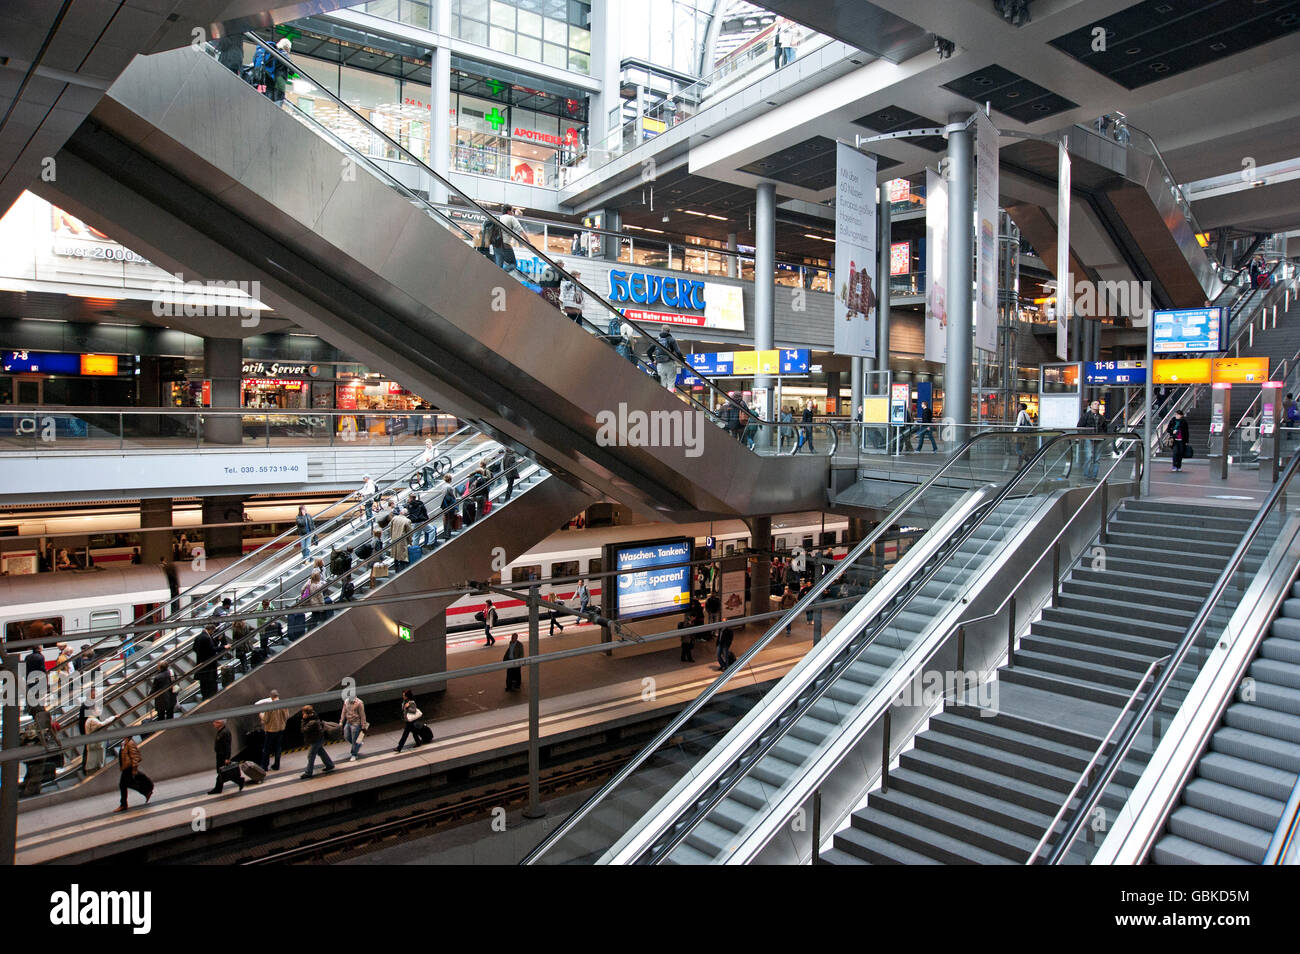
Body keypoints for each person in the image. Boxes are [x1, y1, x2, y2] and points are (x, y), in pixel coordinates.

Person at [114, 735, 153, 812]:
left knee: (122, 785)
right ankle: (146, 791)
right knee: (128, 783)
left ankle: (123, 805)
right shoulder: (124, 743)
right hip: (126, 767)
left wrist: (134, 768)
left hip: (129, 767)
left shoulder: (130, 743)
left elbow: (135, 757)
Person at [208, 720, 245, 795]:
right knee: (223, 772)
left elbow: (228, 746)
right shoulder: (221, 731)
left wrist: (227, 758)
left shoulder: (225, 732)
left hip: (223, 756)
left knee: (222, 772)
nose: (213, 723)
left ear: (220, 723)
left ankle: (218, 788)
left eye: (216, 722)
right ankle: (239, 781)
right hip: (220, 755)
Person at [299, 705, 335, 778]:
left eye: (303, 713)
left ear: (307, 713)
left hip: (316, 740)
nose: (303, 715)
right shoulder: (313, 717)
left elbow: (303, 730)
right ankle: (330, 765)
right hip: (317, 739)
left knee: (311, 755)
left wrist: (303, 720)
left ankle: (308, 772)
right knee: (321, 752)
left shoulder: (312, 722)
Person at [1076, 399, 1107, 478]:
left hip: (1099, 439)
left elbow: (1105, 428)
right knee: (1089, 457)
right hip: (1089, 438)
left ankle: (1094, 476)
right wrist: (1084, 436)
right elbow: (1080, 426)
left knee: (1096, 458)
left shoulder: (1101, 418)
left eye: (1098, 404)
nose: (1097, 405)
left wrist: (1103, 436)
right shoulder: (1086, 416)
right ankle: (1087, 474)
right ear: (1091, 406)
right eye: (1095, 404)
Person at [260, 690, 288, 771]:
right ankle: (276, 765)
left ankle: (265, 766)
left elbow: (266, 719)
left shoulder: (270, 706)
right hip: (281, 729)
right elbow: (286, 716)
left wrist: (261, 714)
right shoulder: (284, 704)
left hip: (271, 730)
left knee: (267, 748)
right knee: (278, 747)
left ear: (271, 697)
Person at [649, 325, 682, 391]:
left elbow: (648, 352)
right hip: (670, 363)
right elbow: (678, 352)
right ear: (669, 331)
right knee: (671, 383)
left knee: (662, 384)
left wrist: (653, 360)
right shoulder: (672, 339)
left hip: (660, 365)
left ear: (661, 330)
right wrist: (682, 361)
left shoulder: (657, 340)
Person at [194, 625, 220, 700]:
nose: (213, 633)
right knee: (209, 680)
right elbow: (212, 649)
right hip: (208, 662)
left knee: (203, 681)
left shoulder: (199, 636)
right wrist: (223, 647)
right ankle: (209, 696)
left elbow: (194, 648)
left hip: (201, 661)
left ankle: (204, 695)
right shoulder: (206, 638)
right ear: (210, 630)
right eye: (213, 631)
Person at [340, 694, 368, 761]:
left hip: (356, 723)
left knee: (354, 739)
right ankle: (358, 744)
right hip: (348, 722)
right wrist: (341, 721)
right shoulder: (346, 701)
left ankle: (354, 754)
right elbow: (343, 711)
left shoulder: (359, 703)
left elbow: (362, 714)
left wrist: (363, 726)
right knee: (346, 736)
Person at [389, 506, 412, 572]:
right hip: (402, 540)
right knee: (403, 556)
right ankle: (403, 571)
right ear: (406, 514)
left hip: (394, 538)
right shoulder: (407, 521)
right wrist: (410, 541)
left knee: (395, 555)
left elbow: (391, 529)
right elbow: (409, 533)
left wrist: (392, 536)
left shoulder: (394, 518)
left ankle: (396, 569)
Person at [440, 473, 458, 541]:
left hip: (444, 504)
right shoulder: (449, 487)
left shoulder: (443, 486)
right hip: (450, 504)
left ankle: (445, 533)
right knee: (450, 519)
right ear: (450, 479)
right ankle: (448, 534)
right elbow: (453, 496)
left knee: (445, 519)